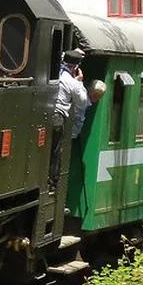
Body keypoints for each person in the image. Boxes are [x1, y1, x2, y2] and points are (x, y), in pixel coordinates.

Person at [49, 49, 88, 191]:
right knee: (56, 151)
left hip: (44, 114)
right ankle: (53, 182)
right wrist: (80, 83)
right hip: (57, 118)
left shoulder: (54, 70)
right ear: (76, 67)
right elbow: (83, 102)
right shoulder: (71, 82)